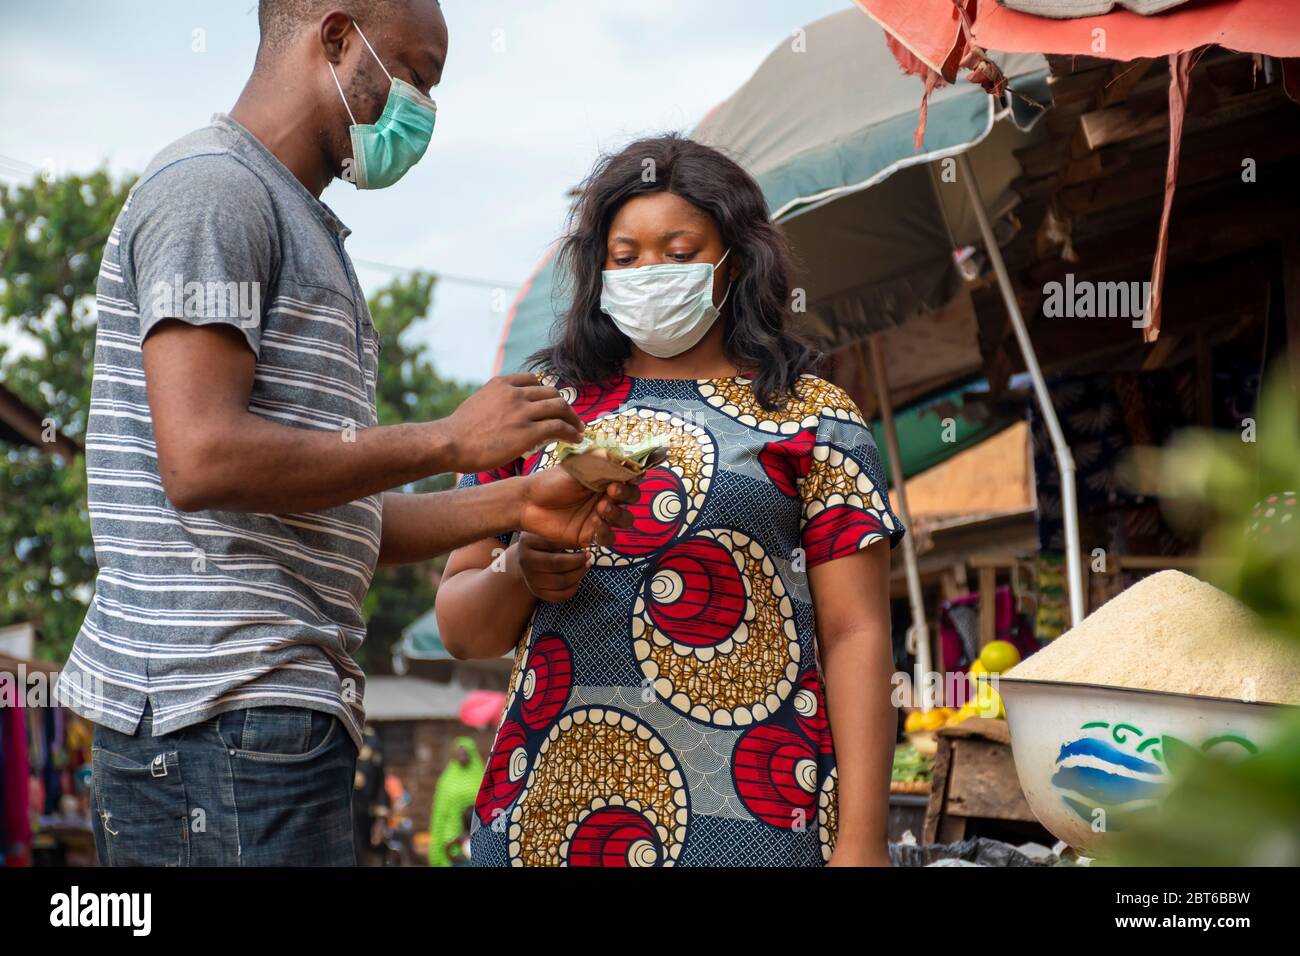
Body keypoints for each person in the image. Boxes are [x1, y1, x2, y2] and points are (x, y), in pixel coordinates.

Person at [60, 0, 634, 867]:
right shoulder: (216, 189)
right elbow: (203, 456)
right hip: (217, 717)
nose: (425, 111)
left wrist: (521, 501)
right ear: (336, 38)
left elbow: (334, 512)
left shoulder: (302, 226)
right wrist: (449, 440)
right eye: (417, 75)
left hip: (270, 721)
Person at [436, 134, 905, 867]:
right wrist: (521, 572)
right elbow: (463, 630)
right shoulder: (536, 412)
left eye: (680, 251)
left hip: (759, 813)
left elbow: (855, 634)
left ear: (736, 261)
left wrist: (863, 840)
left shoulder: (815, 418)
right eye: (626, 258)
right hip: (549, 814)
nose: (650, 272)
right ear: (599, 270)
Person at [427, 736, 483, 867]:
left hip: (474, 838)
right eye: (459, 752)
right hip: (450, 835)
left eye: (465, 752)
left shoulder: (481, 777)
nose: (462, 755)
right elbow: (439, 812)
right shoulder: (447, 779)